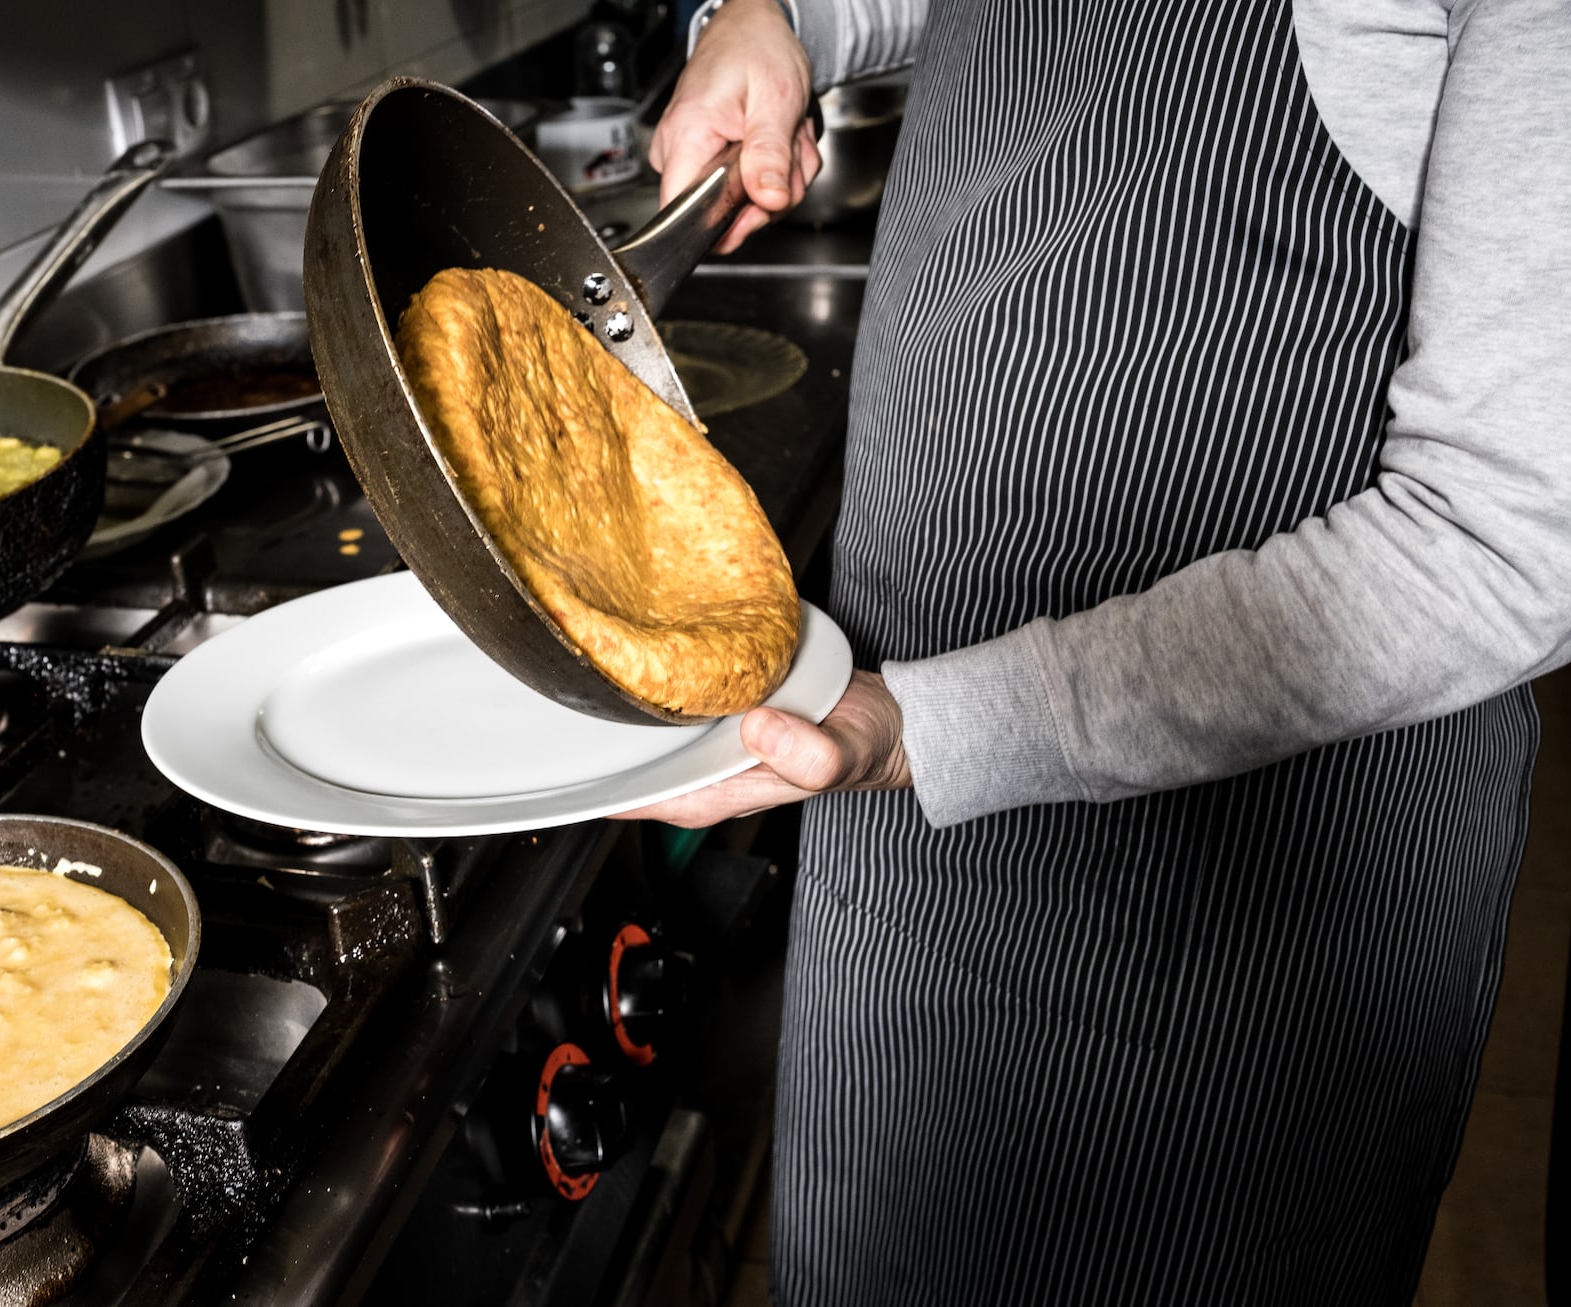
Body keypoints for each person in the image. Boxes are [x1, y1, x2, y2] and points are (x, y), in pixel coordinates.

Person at [624, 0, 1571, 1303]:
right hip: (902, 817)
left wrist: (932, 729)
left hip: (1246, 913)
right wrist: (785, 22)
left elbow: (1505, 546)